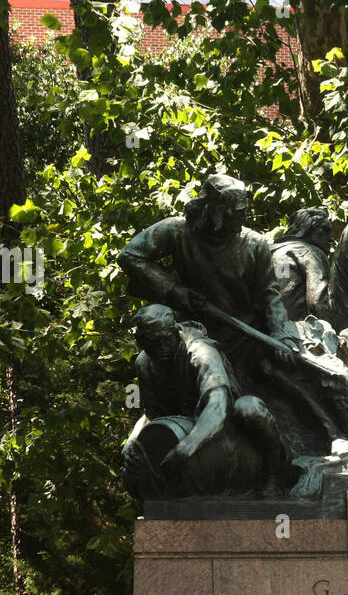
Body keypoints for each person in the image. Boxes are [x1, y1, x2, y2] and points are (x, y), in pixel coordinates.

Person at [118, 173, 302, 377]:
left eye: (245, 210)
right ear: (215, 210)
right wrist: (174, 290)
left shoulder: (255, 244)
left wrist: (281, 334)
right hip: (197, 332)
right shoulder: (177, 231)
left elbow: (269, 296)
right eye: (237, 211)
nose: (244, 216)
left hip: (246, 334)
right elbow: (129, 256)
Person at [122, 305, 294, 499]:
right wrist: (132, 441)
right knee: (133, 473)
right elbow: (152, 414)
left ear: (175, 331)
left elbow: (218, 406)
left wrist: (186, 447)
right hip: (186, 430)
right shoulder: (144, 363)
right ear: (141, 341)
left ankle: (276, 470)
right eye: (153, 342)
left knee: (250, 408)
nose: (161, 347)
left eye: (166, 339)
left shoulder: (201, 352)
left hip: (226, 427)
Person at [271, 207, 333, 320]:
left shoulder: (268, 252)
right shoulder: (311, 252)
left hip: (259, 327)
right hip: (295, 328)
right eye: (325, 230)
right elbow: (318, 303)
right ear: (306, 229)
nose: (331, 238)